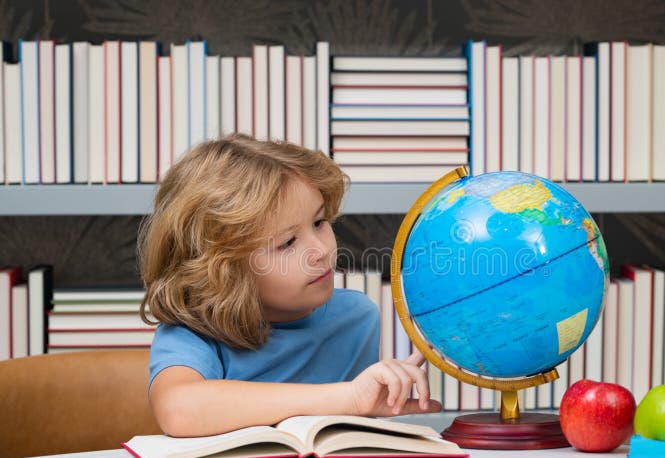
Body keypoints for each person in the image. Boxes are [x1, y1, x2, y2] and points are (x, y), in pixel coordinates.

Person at [138, 134, 441, 437]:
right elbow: (179, 411)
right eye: (287, 243)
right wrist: (349, 397)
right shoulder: (193, 334)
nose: (321, 251)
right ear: (222, 268)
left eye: (319, 222)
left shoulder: (356, 318)